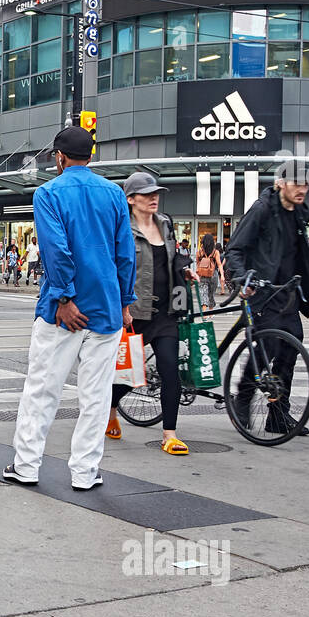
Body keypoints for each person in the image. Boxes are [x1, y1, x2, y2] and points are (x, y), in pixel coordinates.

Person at [4, 127, 136, 491]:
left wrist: (63, 297)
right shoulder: (114, 194)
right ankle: (85, 472)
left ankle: (27, 465)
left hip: (63, 312)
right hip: (106, 308)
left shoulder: (48, 193)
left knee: (43, 388)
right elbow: (125, 255)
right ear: (90, 157)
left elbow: (54, 249)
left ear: (59, 158)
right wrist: (125, 303)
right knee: (96, 397)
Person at [109, 173, 197, 454]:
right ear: (131, 200)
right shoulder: (122, 228)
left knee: (171, 372)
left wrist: (184, 270)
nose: (153, 198)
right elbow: (115, 268)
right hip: (135, 313)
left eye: (156, 193)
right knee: (130, 377)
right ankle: (111, 410)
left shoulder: (166, 224)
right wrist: (121, 307)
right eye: (146, 194)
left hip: (165, 312)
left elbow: (168, 260)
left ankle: (169, 435)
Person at [224, 171, 309, 438]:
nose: (302, 189)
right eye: (296, 183)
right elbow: (235, 249)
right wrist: (242, 278)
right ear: (280, 184)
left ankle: (277, 415)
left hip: (287, 293)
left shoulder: (299, 213)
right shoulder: (261, 209)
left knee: (290, 349)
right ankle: (243, 398)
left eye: (306, 184)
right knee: (267, 346)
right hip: (262, 293)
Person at [195, 233, 223, 307]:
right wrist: (222, 276)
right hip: (213, 274)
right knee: (211, 295)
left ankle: (204, 314)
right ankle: (210, 313)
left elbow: (198, 264)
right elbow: (219, 264)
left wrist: (196, 275)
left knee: (203, 294)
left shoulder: (199, 253)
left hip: (202, 274)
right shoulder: (215, 252)